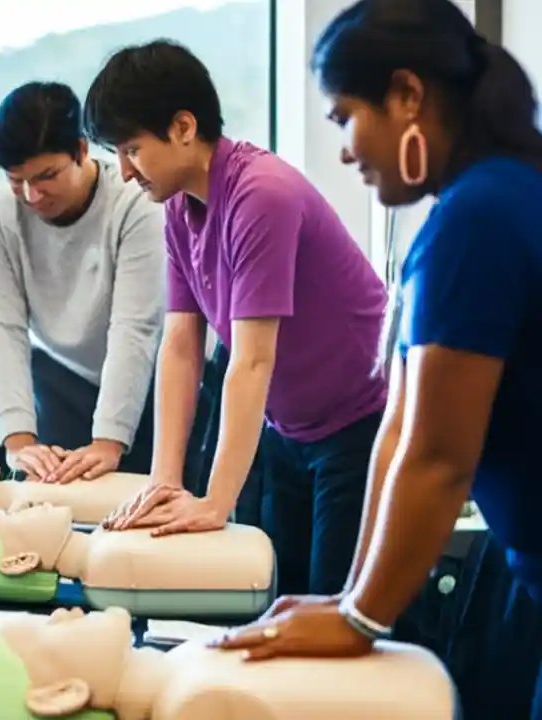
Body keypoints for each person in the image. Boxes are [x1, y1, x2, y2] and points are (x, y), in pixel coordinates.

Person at [210, 0, 542, 717]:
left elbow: (436, 456)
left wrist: (360, 619)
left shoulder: (481, 218)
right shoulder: (492, 197)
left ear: (408, 96)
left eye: (344, 117)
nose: (345, 150)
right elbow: (399, 429)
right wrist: (351, 601)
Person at [87, 40, 390, 599]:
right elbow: (180, 345)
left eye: (132, 150)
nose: (125, 173)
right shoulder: (178, 207)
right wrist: (164, 481)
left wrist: (216, 502)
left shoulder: (261, 195)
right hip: (287, 430)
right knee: (278, 601)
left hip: (359, 427)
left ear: (183, 127)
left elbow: (251, 360)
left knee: (332, 610)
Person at [0, 81, 165, 484]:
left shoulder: (134, 204)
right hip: (60, 377)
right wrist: (20, 444)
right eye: (15, 179)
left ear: (81, 150)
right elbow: (1, 329)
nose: (32, 195)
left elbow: (134, 331)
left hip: (152, 381)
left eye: (46, 176)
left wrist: (108, 442)